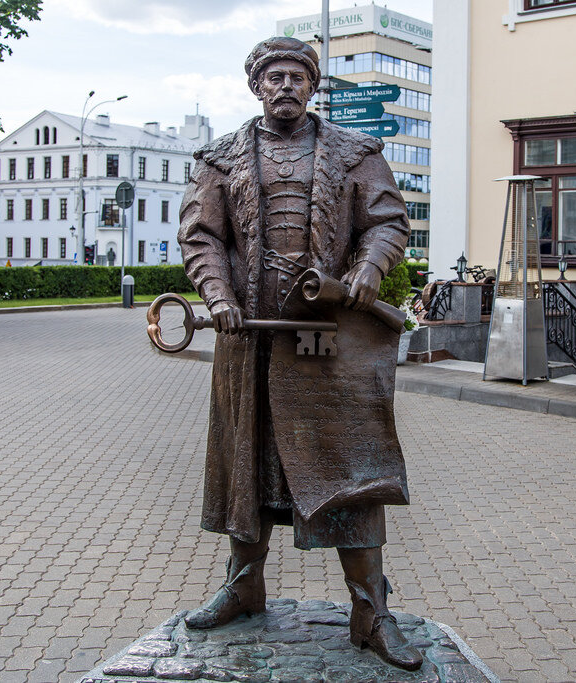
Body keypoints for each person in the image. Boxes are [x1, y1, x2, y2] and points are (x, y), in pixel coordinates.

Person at [178, 37, 420, 670]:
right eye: (273, 76)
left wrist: (370, 267)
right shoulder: (221, 157)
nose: (284, 85)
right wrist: (217, 293)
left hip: (326, 344)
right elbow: (202, 235)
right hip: (249, 340)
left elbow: (389, 222)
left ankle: (371, 609)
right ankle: (242, 586)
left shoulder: (354, 151)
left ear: (312, 86)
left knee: (348, 470)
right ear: (257, 85)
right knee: (246, 464)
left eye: (296, 76)